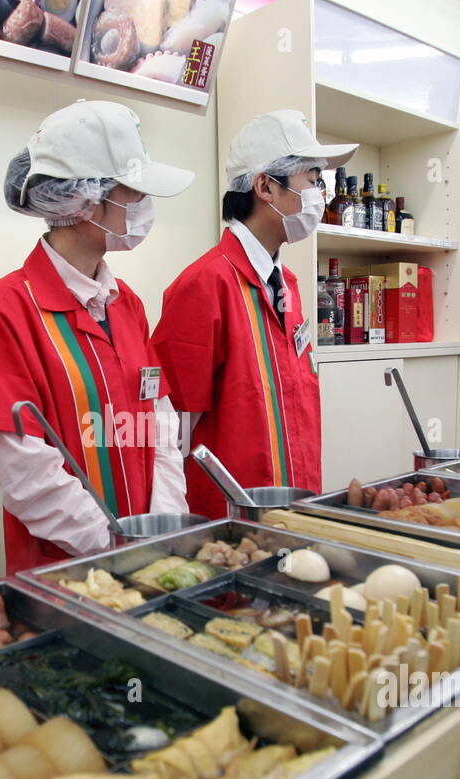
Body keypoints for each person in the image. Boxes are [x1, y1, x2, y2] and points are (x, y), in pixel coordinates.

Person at [0, 101, 192, 574]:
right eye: (135, 189)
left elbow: (162, 423)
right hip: (66, 570)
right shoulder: (5, 307)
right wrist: (114, 548)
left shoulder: (126, 302)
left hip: (149, 558)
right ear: (85, 199)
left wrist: (161, 531)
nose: (144, 205)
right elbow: (25, 466)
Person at [152, 111, 356, 517]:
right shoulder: (205, 285)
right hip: (231, 519)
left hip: (297, 504)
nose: (321, 195)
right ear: (266, 186)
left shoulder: (288, 285)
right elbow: (171, 428)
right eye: (313, 180)